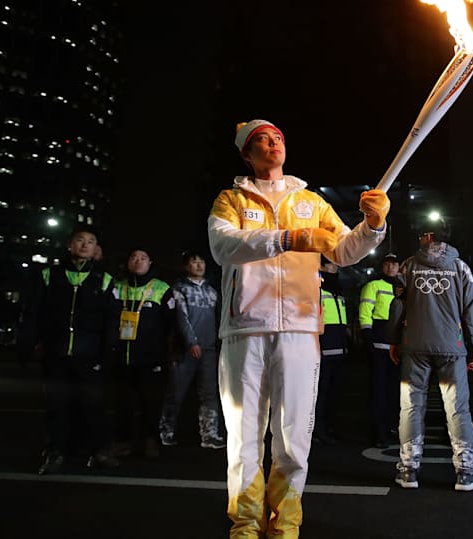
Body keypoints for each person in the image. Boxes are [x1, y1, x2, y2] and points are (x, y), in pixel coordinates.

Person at [208, 119, 388, 538]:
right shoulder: (231, 199)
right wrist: (287, 239)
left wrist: (373, 226)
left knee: (293, 437)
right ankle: (245, 524)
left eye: (277, 138)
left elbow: (344, 250)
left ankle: (285, 525)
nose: (272, 143)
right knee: (244, 435)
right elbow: (222, 246)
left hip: (300, 328)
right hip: (245, 327)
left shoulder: (311, 202)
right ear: (247, 154)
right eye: (262, 140)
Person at [388, 221, 473, 492]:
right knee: (457, 409)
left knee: (411, 407)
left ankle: (408, 471)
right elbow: (470, 310)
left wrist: (394, 340)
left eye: (421, 234)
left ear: (428, 236)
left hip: (414, 346)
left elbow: (397, 306)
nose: (420, 239)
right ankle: (466, 472)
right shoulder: (460, 267)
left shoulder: (409, 266)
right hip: (452, 348)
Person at [17, 224, 120, 473]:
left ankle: (99, 451)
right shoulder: (49, 275)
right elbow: (32, 313)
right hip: (56, 353)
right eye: (80, 240)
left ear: (96, 249)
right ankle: (55, 452)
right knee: (57, 406)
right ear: (70, 245)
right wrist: (27, 346)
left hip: (90, 355)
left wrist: (108, 353)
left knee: (93, 406)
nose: (85, 245)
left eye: (91, 241)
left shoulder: (104, 279)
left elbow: (111, 320)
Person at [110, 247, 175, 460]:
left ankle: (150, 441)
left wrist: (164, 352)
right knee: (123, 403)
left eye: (143, 258)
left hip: (151, 358)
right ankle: (122, 442)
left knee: (151, 403)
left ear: (150, 263)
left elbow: (171, 324)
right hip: (121, 357)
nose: (138, 261)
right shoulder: (117, 287)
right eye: (134, 257)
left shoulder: (161, 288)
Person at [158, 251, 225, 450]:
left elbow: (218, 319)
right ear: (186, 266)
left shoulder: (212, 291)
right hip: (185, 350)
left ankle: (209, 434)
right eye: (194, 262)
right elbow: (182, 317)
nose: (198, 265)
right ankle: (166, 430)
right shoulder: (179, 289)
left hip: (209, 349)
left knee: (209, 393)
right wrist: (191, 342)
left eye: (201, 261)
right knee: (176, 392)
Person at [359, 252, 403, 447]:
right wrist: (367, 335)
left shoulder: (404, 287)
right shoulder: (373, 285)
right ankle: (379, 432)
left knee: (395, 390)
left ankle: (392, 427)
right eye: (387, 264)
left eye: (394, 264)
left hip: (399, 347)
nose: (390, 267)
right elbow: (365, 312)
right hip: (379, 345)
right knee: (379, 390)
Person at [315, 259, 349, 446]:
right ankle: (319, 430)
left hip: (339, 350)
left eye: (336, 266)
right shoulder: (317, 291)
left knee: (335, 392)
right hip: (324, 351)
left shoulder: (338, 292)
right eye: (330, 265)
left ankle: (330, 427)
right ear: (321, 267)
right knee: (322, 392)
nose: (334, 268)